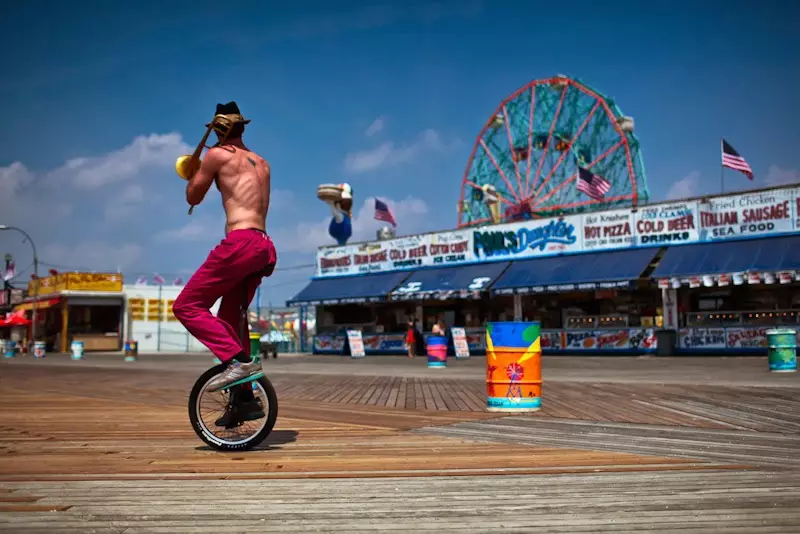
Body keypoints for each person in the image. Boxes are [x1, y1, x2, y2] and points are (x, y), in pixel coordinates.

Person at [173, 101, 278, 427]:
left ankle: (238, 363)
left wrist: (191, 173)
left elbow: (193, 196)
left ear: (218, 130)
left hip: (241, 242)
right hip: (263, 246)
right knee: (231, 319)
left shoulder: (218, 155)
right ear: (242, 127)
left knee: (187, 306)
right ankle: (244, 400)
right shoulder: (263, 163)